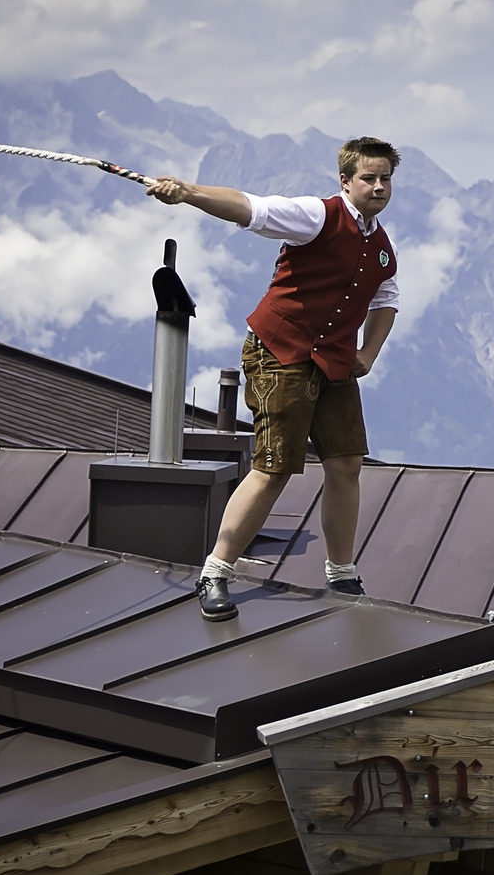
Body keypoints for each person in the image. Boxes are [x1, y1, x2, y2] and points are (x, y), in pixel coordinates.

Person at [147, 139, 401, 621]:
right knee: (274, 467)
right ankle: (215, 572)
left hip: (334, 359)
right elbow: (251, 208)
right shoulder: (316, 216)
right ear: (345, 181)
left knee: (347, 463)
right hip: (279, 353)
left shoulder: (381, 246)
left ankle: (341, 573)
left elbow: (386, 298)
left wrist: (368, 353)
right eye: (368, 178)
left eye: (385, 178)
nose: (378, 187)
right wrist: (188, 192)